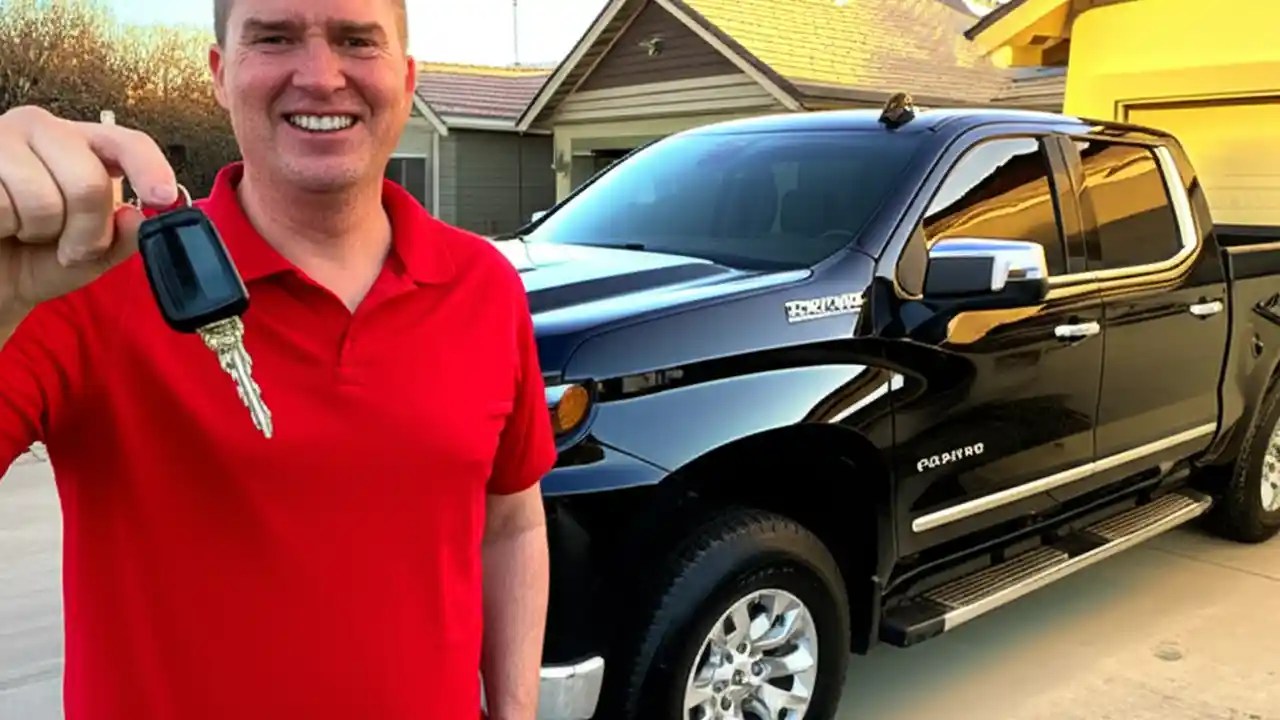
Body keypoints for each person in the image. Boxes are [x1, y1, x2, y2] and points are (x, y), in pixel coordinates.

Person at [0, 0, 557, 718]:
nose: (321, 77)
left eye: (357, 41)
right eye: (275, 38)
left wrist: (515, 709)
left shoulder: (484, 286)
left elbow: (512, 521)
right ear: (220, 73)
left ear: (407, 76)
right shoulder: (85, 282)